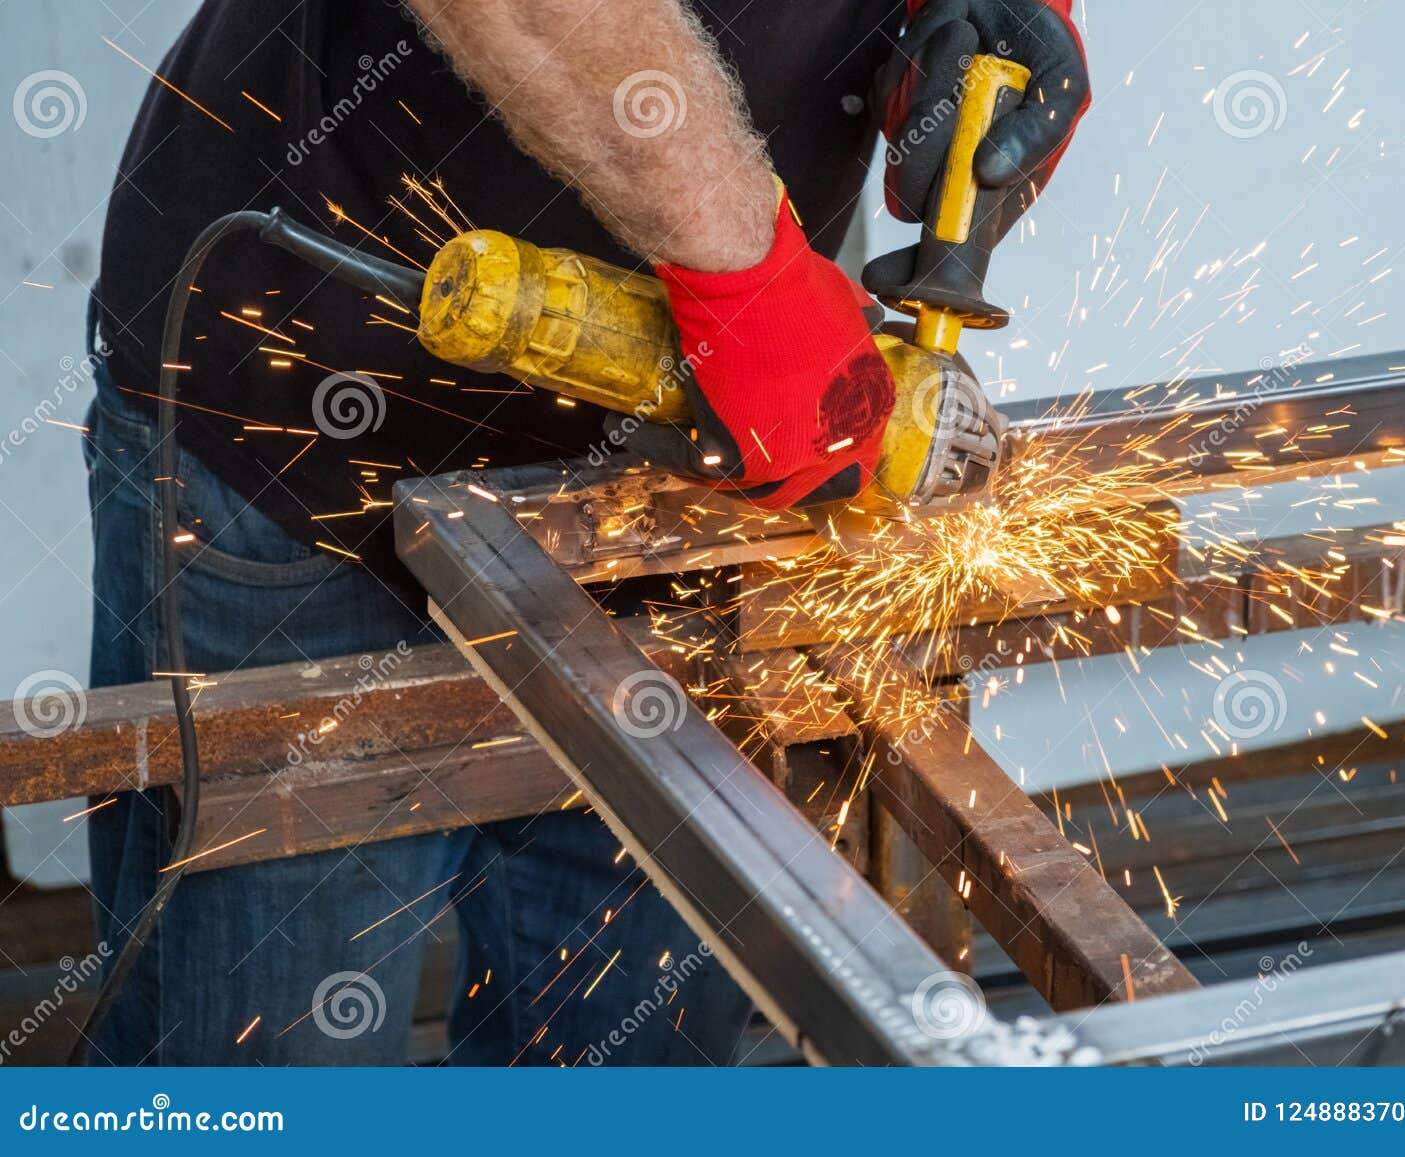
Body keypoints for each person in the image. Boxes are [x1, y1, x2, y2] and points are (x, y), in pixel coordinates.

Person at [84, 0, 1088, 1065]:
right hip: (312, 405)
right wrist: (747, 283)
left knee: (630, 1047)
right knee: (267, 1066)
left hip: (695, 466)